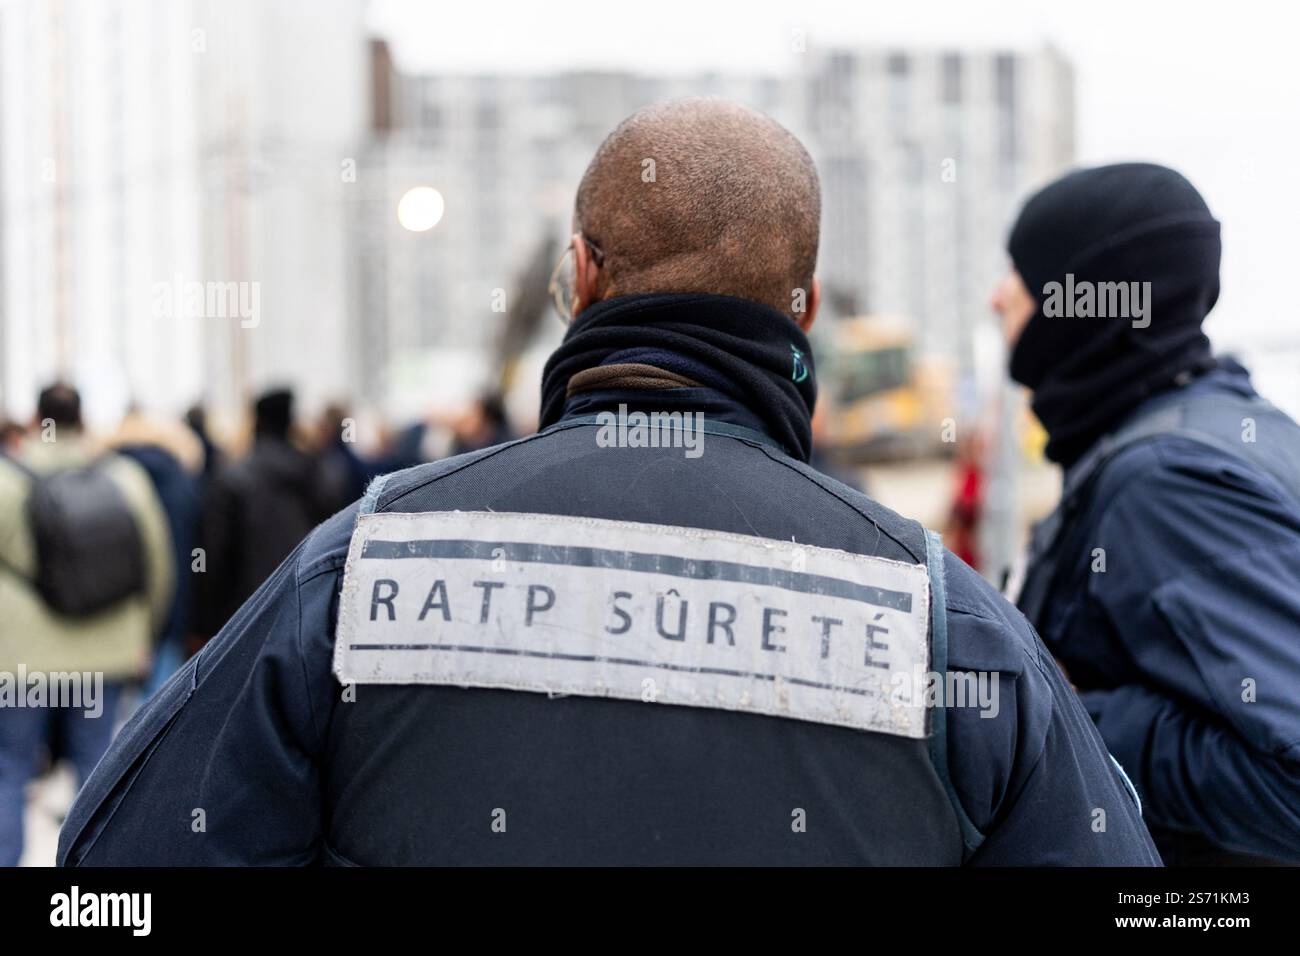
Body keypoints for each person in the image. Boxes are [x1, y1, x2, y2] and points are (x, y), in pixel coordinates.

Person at [59, 100, 1159, 866]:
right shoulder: (934, 612)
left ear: (579, 274)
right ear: (806, 308)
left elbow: (113, 865)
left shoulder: (368, 563)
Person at [993, 162, 1300, 864]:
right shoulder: (1241, 428)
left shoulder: (1164, 481)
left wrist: (1064, 715)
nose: (996, 297)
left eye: (1020, 272)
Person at [0, 384, 174, 866]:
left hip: (18, 658)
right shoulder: (125, 478)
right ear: (85, 419)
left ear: (38, 419)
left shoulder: (5, 478)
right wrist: (147, 635)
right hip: (105, 650)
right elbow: (157, 565)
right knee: (98, 772)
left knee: (8, 770)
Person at [194, 388, 344, 642]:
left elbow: (212, 557)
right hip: (307, 608)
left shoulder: (234, 479)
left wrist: (204, 623)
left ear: (258, 422)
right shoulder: (317, 473)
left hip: (246, 615)